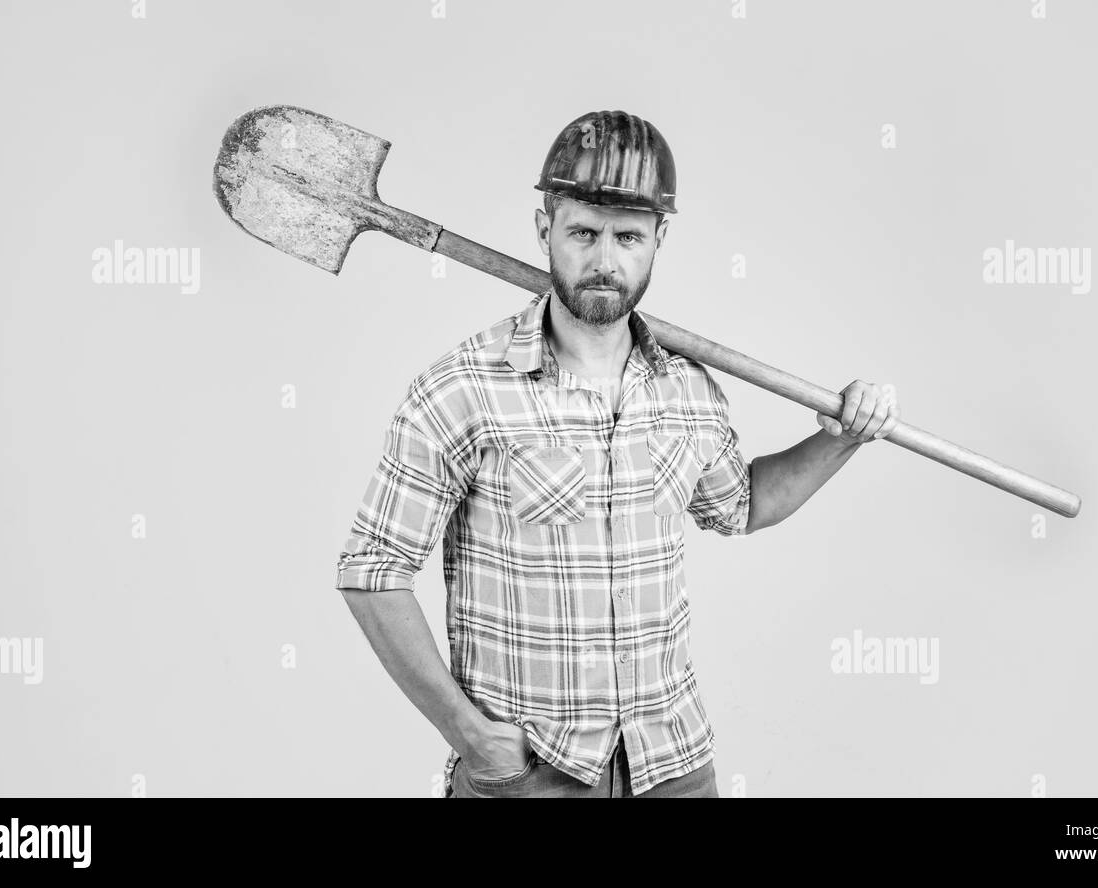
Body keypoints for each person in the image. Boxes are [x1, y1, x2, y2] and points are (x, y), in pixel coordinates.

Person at [335, 109, 900, 798]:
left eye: (629, 237)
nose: (605, 261)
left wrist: (840, 438)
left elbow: (745, 507)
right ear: (544, 228)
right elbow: (373, 569)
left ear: (660, 238)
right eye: (584, 233)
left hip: (674, 768)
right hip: (531, 775)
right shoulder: (462, 390)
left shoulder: (689, 391)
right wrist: (471, 736)